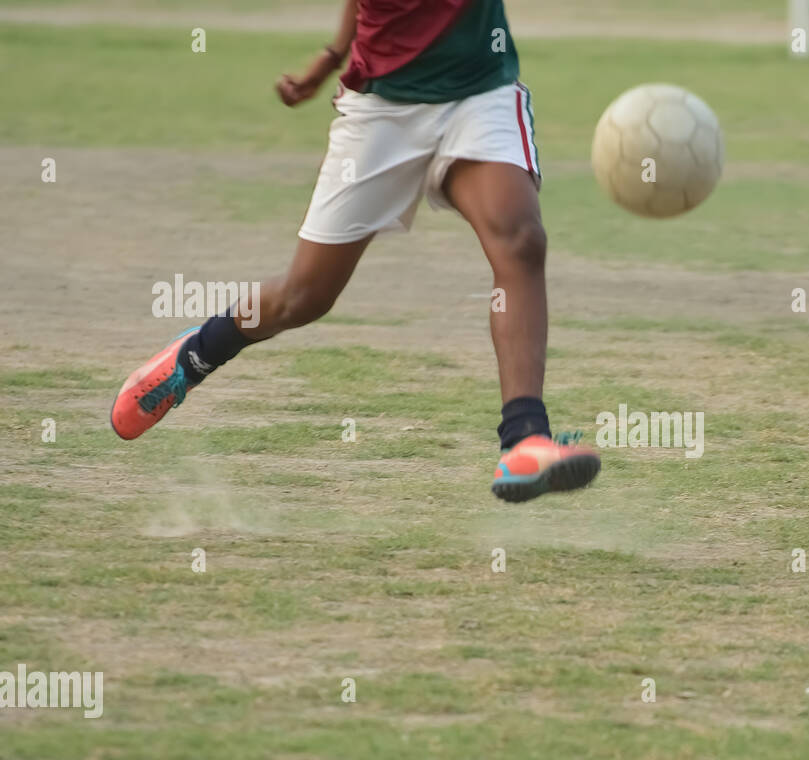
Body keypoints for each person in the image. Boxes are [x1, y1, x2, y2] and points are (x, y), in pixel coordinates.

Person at [110, 0, 600, 503]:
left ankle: (524, 439)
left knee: (520, 242)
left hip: (480, 92)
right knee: (303, 297)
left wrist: (331, 52)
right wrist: (334, 54)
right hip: (383, 109)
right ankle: (194, 356)